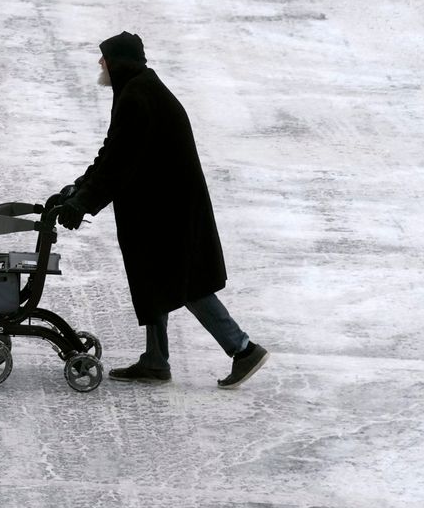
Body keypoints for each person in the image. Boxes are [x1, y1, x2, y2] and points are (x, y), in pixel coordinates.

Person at [47, 32, 268, 388]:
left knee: (184, 284)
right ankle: (155, 360)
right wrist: (79, 188)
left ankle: (242, 349)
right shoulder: (138, 90)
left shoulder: (137, 96)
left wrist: (83, 203)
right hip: (161, 206)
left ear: (118, 62)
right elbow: (113, 151)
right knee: (157, 281)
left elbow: (119, 162)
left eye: (104, 58)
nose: (99, 64)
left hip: (168, 210)